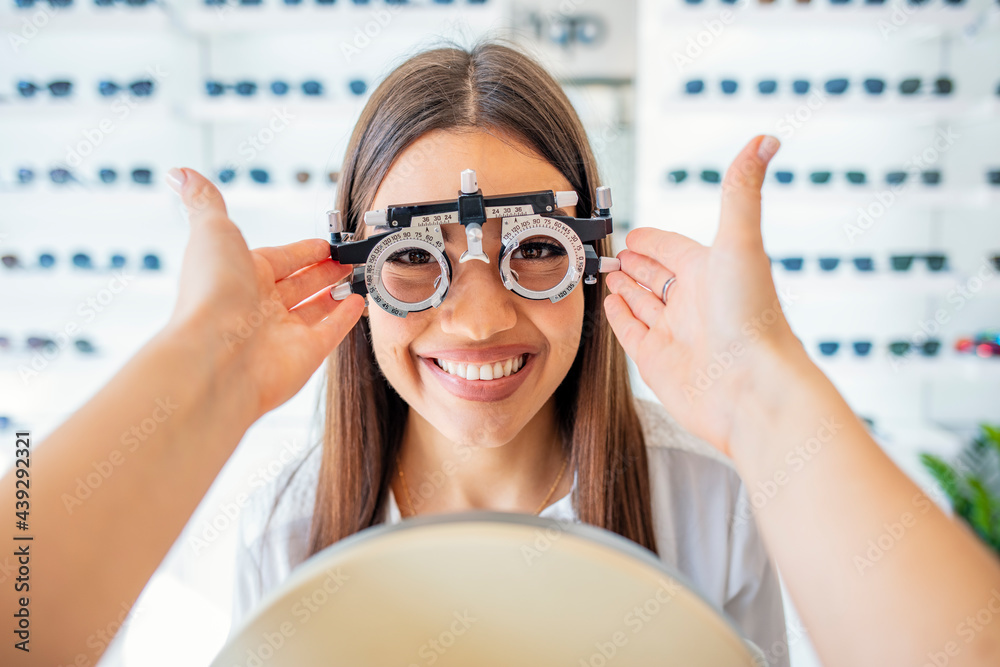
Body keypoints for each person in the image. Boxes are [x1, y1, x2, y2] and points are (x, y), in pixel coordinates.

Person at [1, 43, 997, 667]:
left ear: (594, 261)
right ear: (353, 268)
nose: (477, 321)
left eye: (532, 251)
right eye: (412, 261)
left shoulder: (713, 499)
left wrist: (759, 393)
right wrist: (203, 366)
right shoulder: (288, 519)